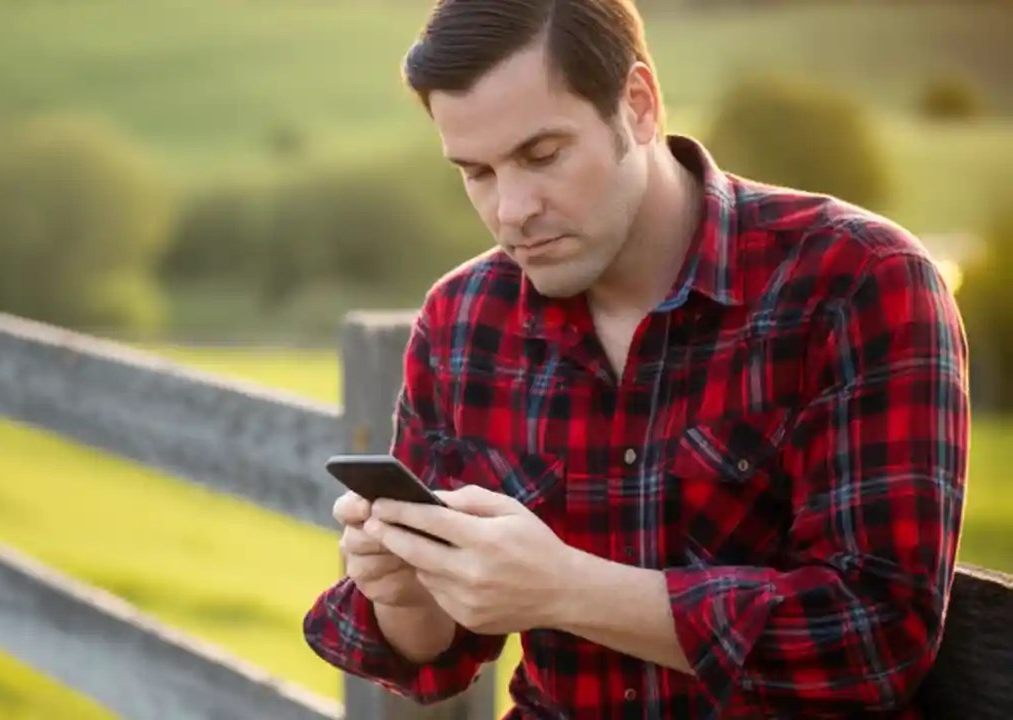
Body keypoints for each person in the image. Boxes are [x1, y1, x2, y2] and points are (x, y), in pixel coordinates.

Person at [301, 0, 970, 717]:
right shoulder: (463, 319)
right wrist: (406, 594)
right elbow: (437, 651)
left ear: (639, 104)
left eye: (541, 155)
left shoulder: (857, 279)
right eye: (477, 172)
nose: (512, 210)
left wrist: (567, 588)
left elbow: (874, 638)